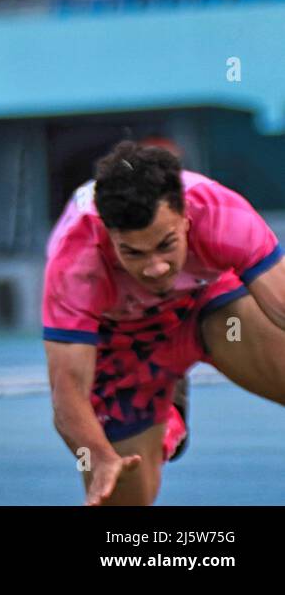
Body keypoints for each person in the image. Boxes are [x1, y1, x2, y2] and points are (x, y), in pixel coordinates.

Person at [43, 140, 285, 505]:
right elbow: (67, 398)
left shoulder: (222, 213)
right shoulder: (75, 262)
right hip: (125, 347)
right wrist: (100, 457)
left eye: (166, 244)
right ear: (109, 235)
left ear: (186, 217)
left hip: (207, 307)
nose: (155, 267)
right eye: (133, 252)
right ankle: (164, 407)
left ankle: (170, 394)